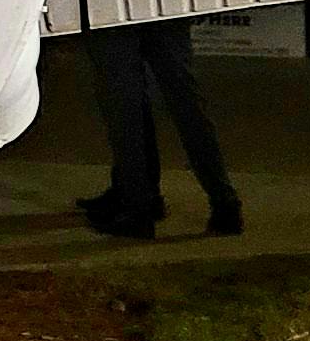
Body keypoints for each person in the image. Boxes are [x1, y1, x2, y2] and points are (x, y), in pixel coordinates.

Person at [80, 18, 242, 239]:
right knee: (186, 100)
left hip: (108, 1)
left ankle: (137, 207)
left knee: (124, 104)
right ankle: (224, 201)